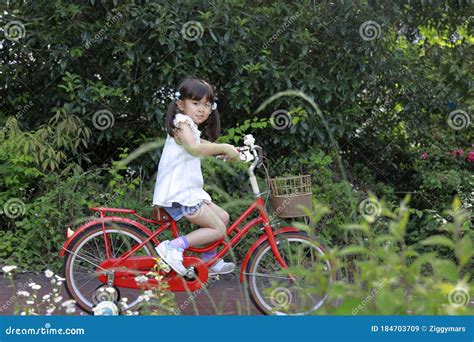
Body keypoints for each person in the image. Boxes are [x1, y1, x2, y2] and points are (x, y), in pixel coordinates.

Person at [153, 77, 240, 276]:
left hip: (189, 192)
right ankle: (173, 247)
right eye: (196, 103)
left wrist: (225, 150)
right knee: (218, 229)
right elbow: (194, 148)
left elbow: (202, 145)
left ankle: (209, 260)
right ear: (181, 105)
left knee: (223, 217)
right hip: (179, 193)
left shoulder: (190, 127)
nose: (202, 109)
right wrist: (223, 147)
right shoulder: (181, 122)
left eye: (207, 104)